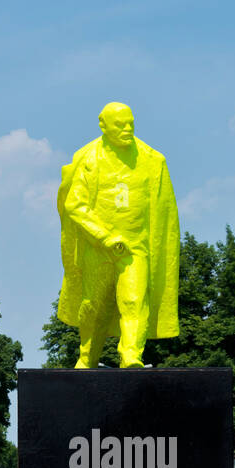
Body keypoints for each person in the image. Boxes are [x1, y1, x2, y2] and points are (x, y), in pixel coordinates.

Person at [57, 102, 180, 369]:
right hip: (98, 248)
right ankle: (87, 355)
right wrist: (104, 237)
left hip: (135, 249)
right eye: (119, 125)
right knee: (92, 307)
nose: (126, 129)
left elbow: (161, 210)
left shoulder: (152, 160)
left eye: (130, 124)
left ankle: (131, 356)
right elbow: (74, 205)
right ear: (103, 126)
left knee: (135, 301)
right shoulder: (89, 158)